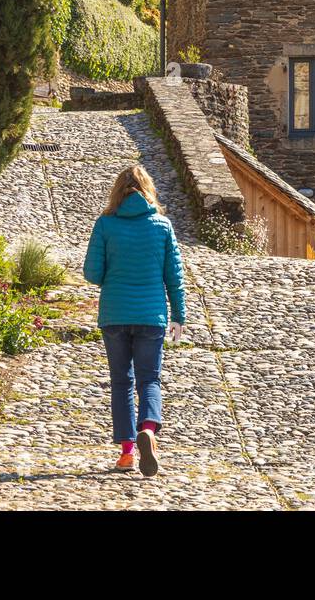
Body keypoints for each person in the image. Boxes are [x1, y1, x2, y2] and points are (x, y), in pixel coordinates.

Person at [82, 164, 186, 477]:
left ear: (117, 191)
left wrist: (114, 274)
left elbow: (91, 273)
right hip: (151, 315)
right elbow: (175, 277)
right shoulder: (162, 225)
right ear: (148, 190)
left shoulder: (105, 224)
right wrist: (179, 315)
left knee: (121, 381)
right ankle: (149, 431)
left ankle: (127, 452)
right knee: (149, 379)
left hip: (114, 314)